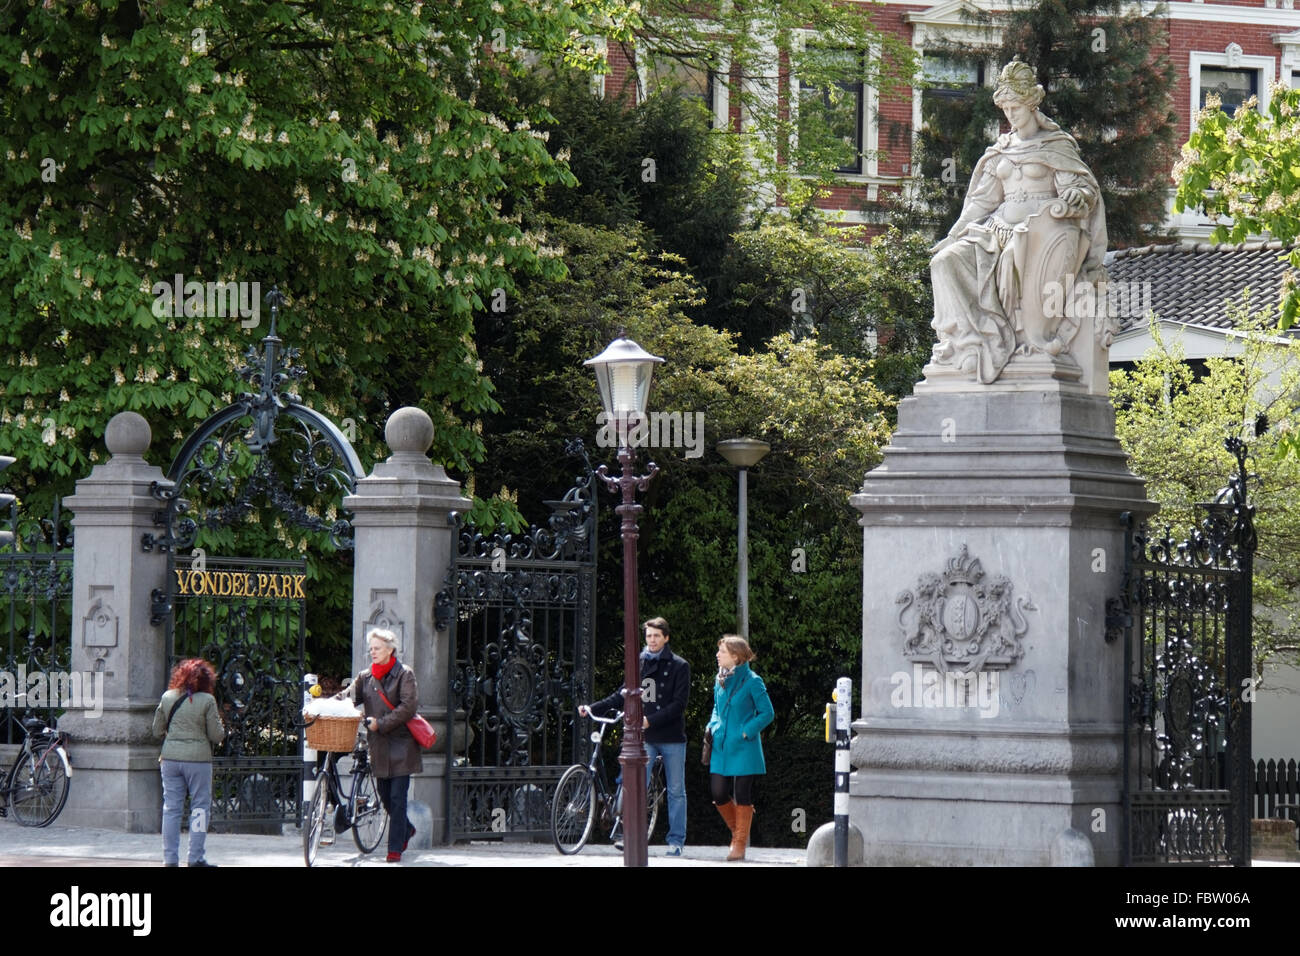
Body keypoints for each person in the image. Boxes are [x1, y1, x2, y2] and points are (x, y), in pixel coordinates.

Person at [928, 58, 1108, 387]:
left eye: (1016, 107)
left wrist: (1074, 198)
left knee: (1015, 251)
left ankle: (1023, 339)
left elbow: (1081, 190)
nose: (1010, 115)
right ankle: (970, 343)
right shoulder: (1001, 150)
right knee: (944, 262)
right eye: (1006, 108)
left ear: (1032, 103)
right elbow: (982, 202)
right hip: (993, 232)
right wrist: (953, 235)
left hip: (1041, 233)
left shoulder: (1057, 146)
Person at [580, 616, 690, 856]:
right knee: (636, 785)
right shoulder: (639, 663)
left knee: (675, 790)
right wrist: (592, 708)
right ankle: (630, 834)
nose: (651, 640)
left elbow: (678, 705)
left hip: (671, 736)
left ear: (666, 638)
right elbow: (623, 694)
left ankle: (676, 841)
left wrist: (651, 719)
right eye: (648, 636)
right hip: (645, 737)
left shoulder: (680, 666)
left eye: (656, 636)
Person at [348, 627, 421, 863]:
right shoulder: (365, 676)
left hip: (402, 745)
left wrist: (382, 723)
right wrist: (327, 704)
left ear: (390, 650)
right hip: (378, 745)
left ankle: (395, 849)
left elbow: (408, 707)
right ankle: (407, 829)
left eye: (377, 648)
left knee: (398, 798)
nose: (373, 652)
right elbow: (348, 696)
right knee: (385, 796)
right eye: (371, 648)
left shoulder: (404, 674)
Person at [152, 658, 225, 868]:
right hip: (198, 761)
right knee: (200, 808)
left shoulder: (167, 698)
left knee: (171, 809)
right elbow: (216, 735)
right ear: (206, 679)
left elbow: (156, 730)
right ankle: (195, 858)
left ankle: (170, 860)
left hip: (170, 760)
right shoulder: (207, 700)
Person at [707, 635, 773, 862]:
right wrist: (713, 725)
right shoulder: (719, 679)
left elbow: (767, 713)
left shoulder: (753, 681)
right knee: (718, 792)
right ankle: (738, 832)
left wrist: (746, 731)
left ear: (735, 656)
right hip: (721, 744)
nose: (718, 655)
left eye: (722, 652)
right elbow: (716, 709)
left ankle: (739, 844)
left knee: (742, 792)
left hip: (745, 746)